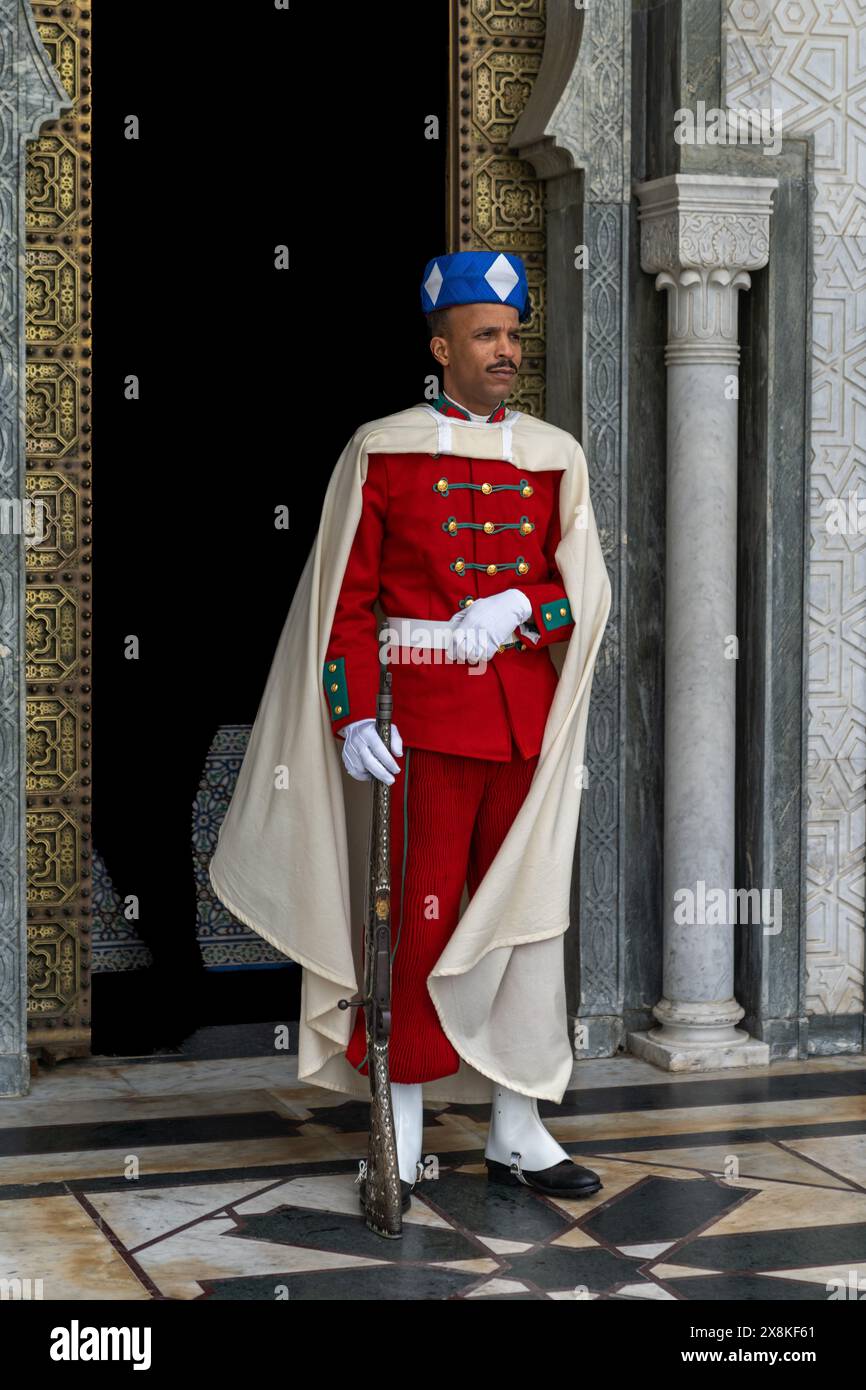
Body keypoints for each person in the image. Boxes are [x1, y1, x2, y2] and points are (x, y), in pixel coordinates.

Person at [209, 250, 612, 1213]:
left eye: (514, 335)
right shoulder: (381, 449)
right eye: (487, 336)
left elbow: (583, 595)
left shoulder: (555, 455)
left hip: (523, 728)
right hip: (420, 728)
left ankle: (518, 1129)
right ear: (442, 349)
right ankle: (404, 1130)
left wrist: (523, 600)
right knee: (415, 931)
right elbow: (343, 603)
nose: (508, 352)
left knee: (524, 927)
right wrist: (350, 719)